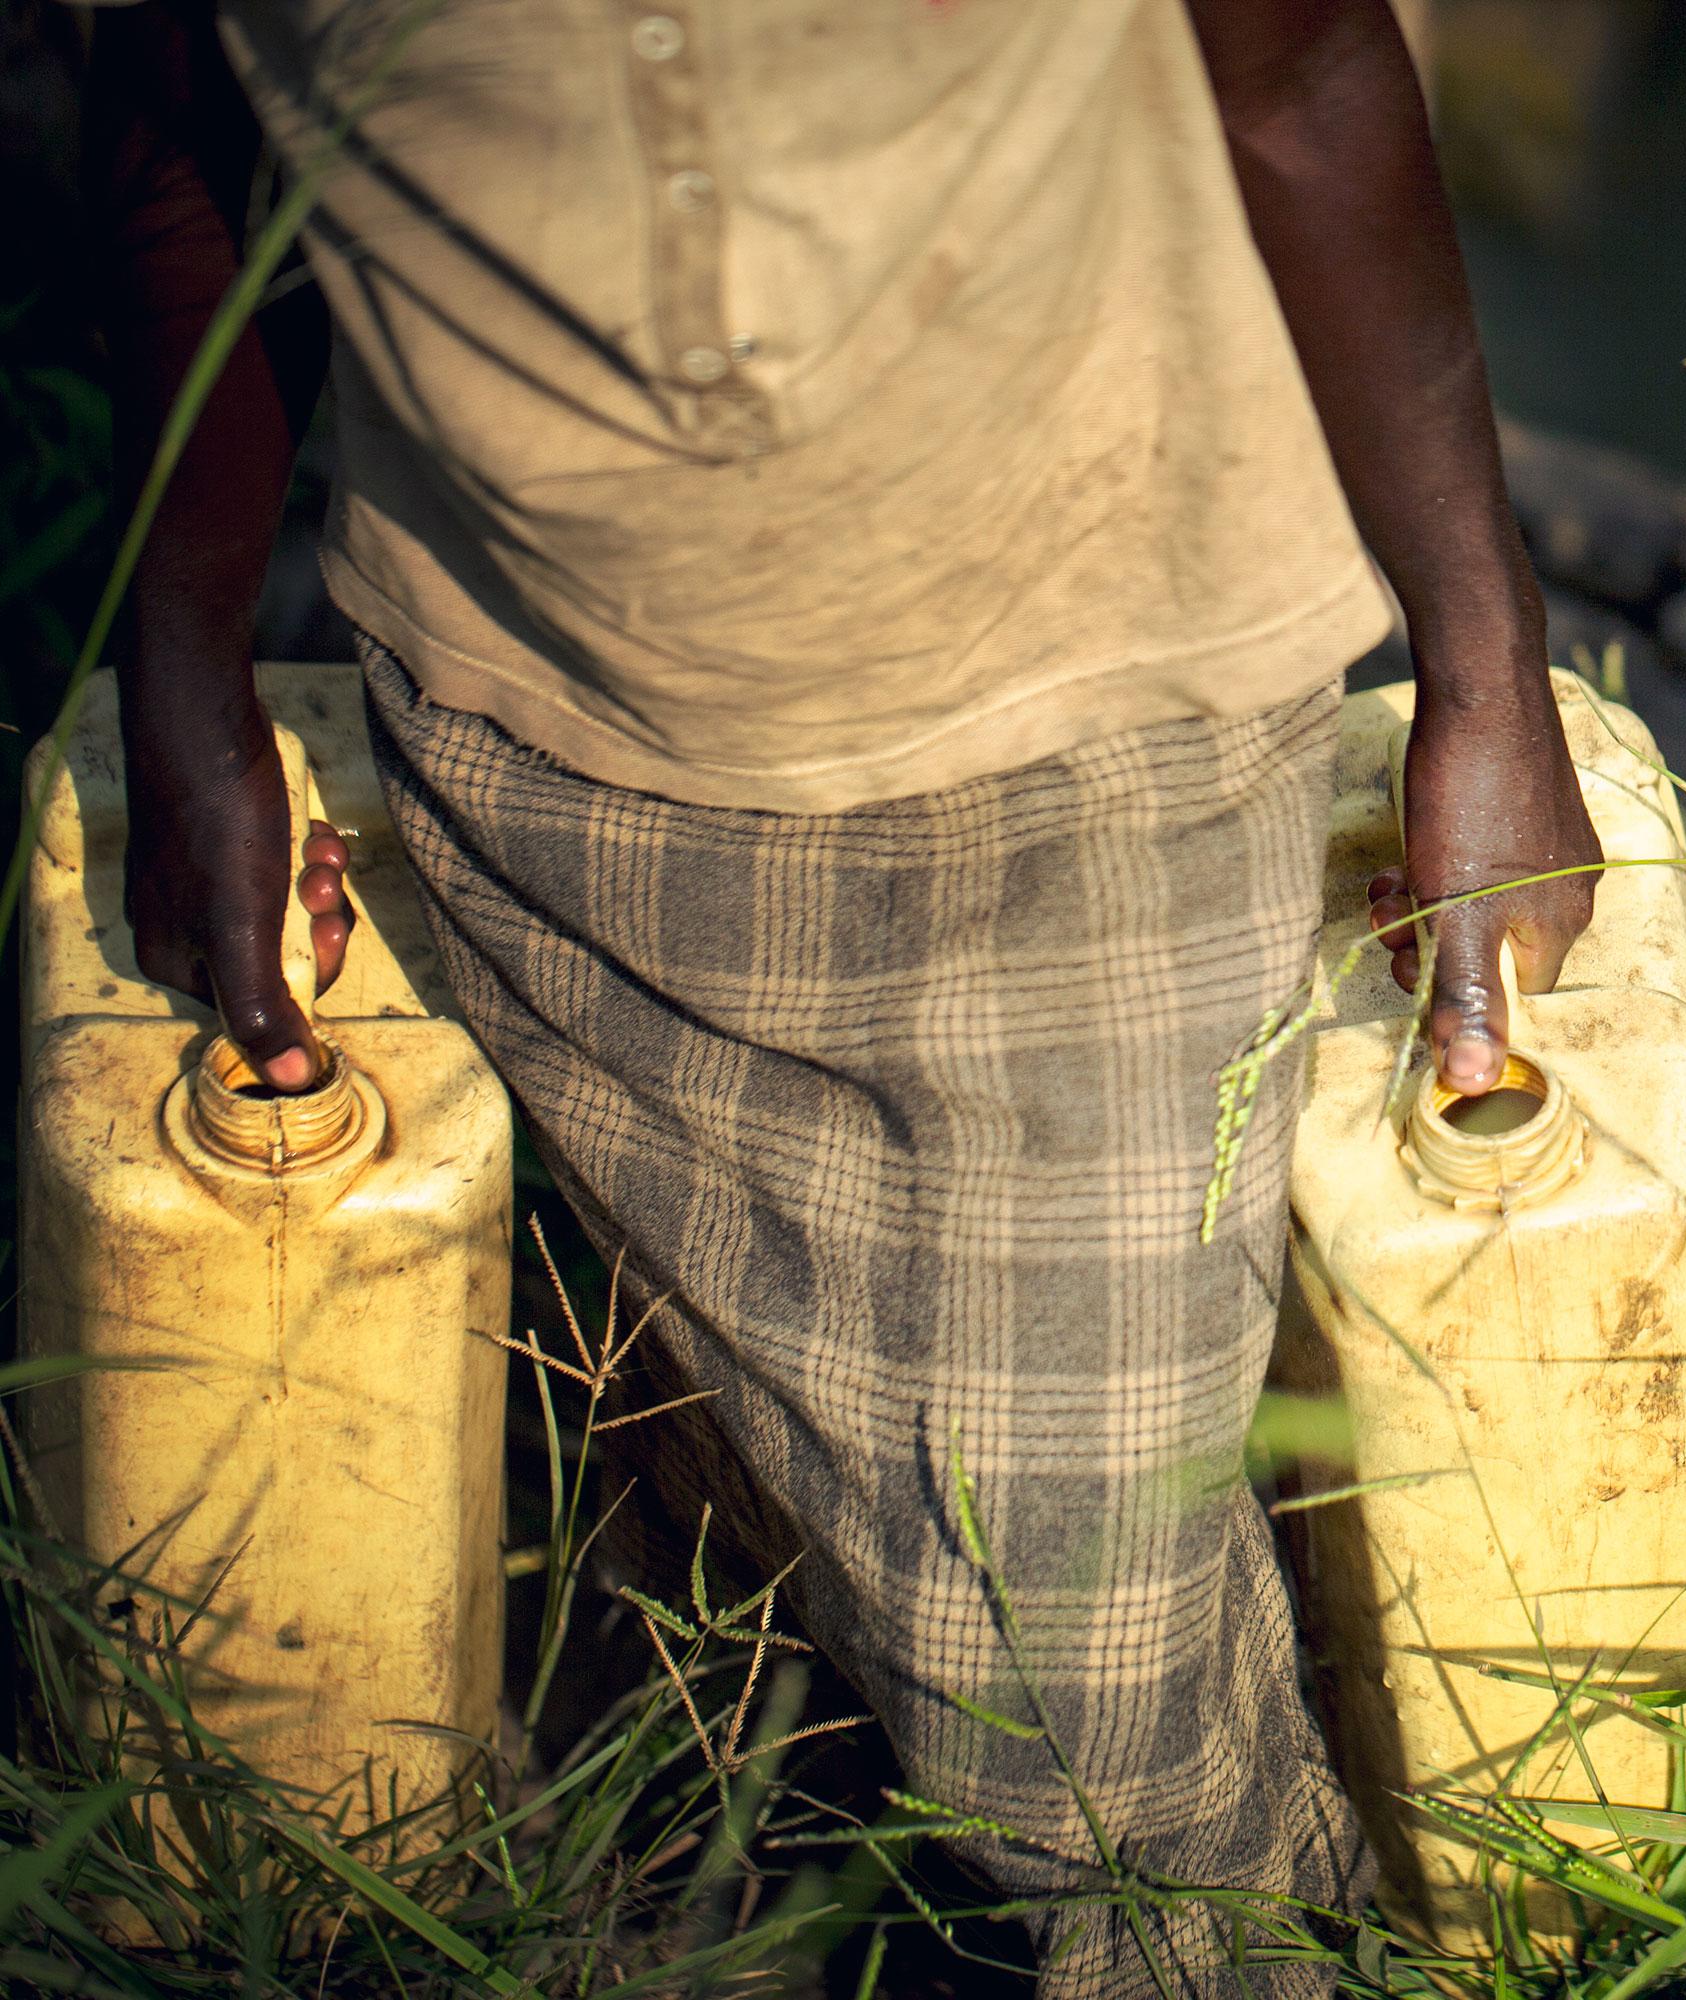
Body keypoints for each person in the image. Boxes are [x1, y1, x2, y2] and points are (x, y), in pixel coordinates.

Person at [86, 0, 1601, 1989]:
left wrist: (1483, 661)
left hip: (1094, 754)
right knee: (687, 1528)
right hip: (547, 776)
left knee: (1104, 1747)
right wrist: (181, 664)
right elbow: (187, 115)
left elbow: (1301, 67)